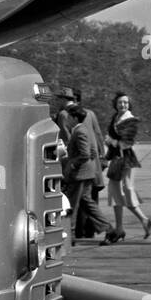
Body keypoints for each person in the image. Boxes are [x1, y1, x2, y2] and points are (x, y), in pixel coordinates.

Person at [64, 103, 116, 244]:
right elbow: (92, 151)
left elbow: (85, 154)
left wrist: (73, 163)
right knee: (87, 204)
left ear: (74, 118)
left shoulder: (79, 132)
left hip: (79, 174)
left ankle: (70, 235)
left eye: (69, 117)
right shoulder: (84, 130)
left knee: (71, 205)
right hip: (87, 173)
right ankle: (109, 229)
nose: (66, 119)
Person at [105, 91, 151, 240]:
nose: (123, 105)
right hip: (115, 158)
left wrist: (111, 142)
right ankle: (120, 228)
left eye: (125, 102)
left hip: (126, 159)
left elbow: (127, 143)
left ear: (129, 104)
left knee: (127, 189)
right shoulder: (115, 117)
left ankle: (144, 220)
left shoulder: (131, 120)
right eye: (120, 102)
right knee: (114, 191)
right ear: (116, 104)